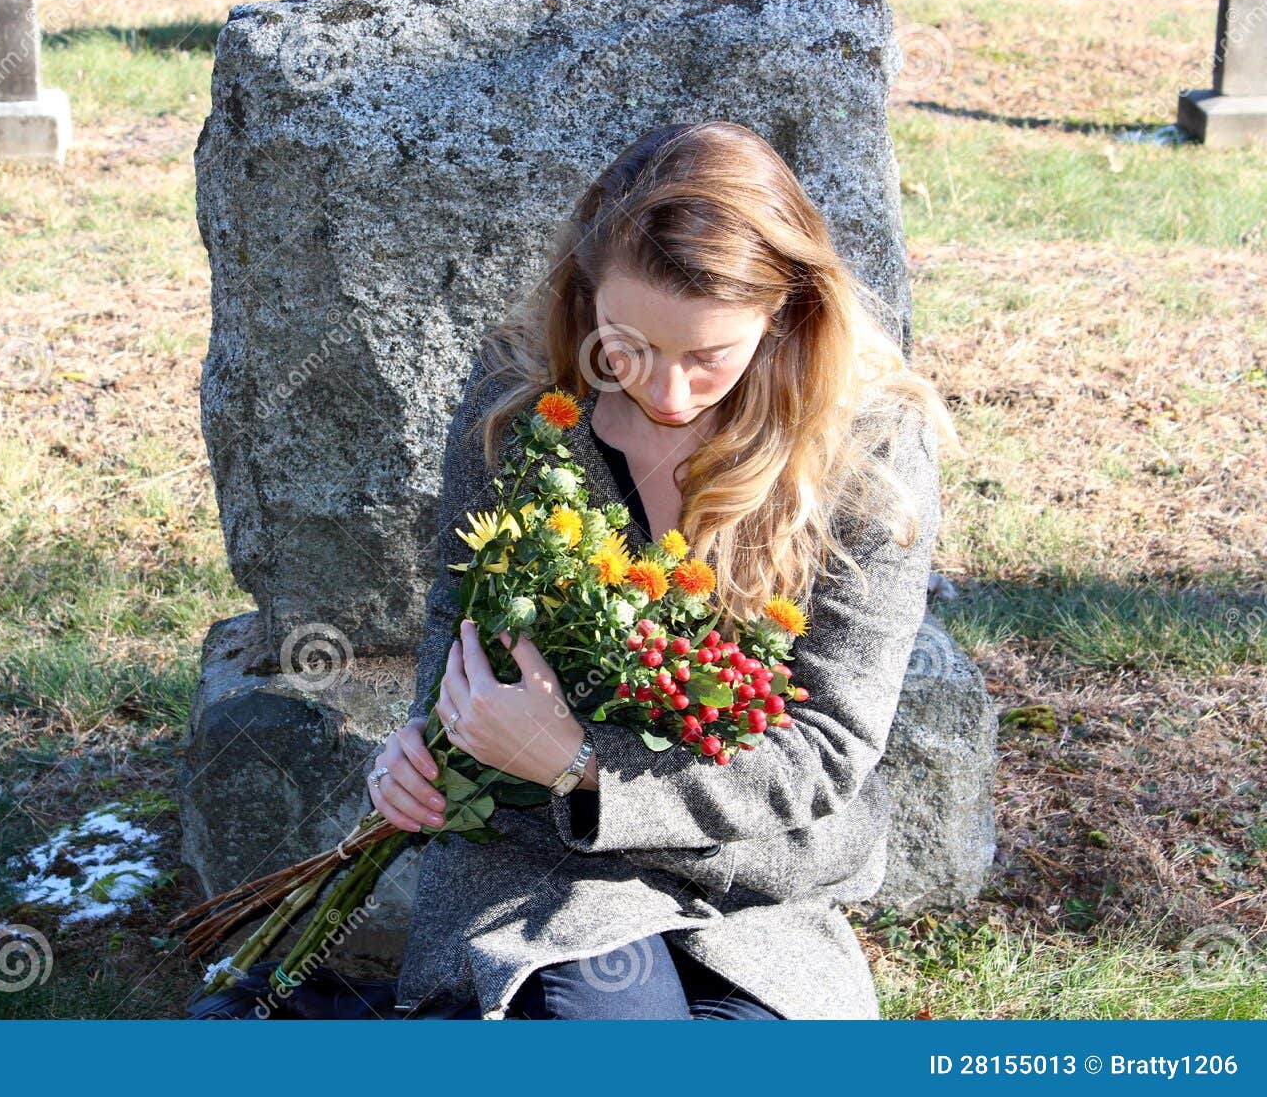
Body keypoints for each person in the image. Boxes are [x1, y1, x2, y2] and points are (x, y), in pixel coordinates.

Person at [367, 120, 962, 1020]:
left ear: (786, 312)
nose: (668, 393)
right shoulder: (518, 404)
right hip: (541, 870)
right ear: (586, 292)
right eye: (628, 346)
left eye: (709, 357)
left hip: (754, 881)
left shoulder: (868, 449)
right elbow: (464, 630)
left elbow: (826, 748)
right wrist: (420, 747)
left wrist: (581, 765)